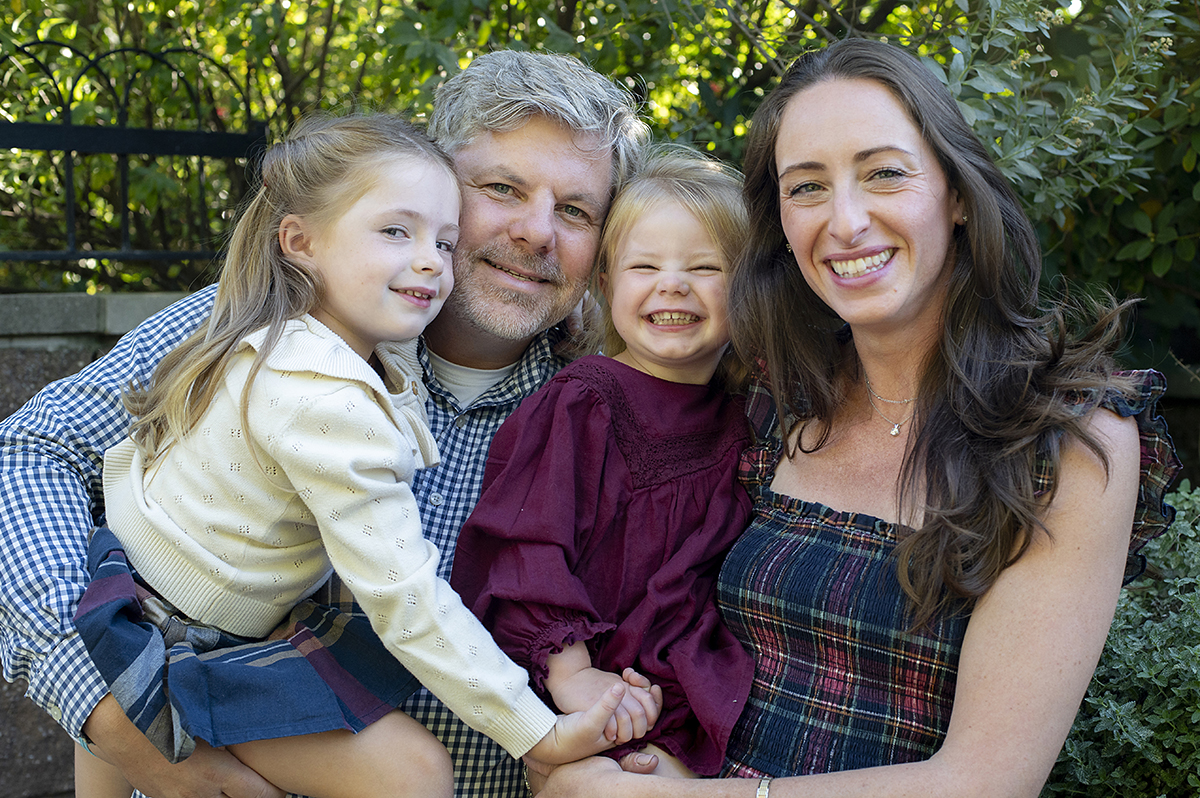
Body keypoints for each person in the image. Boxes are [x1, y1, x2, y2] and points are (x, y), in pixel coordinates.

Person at [535, 37, 1181, 798]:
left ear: (959, 193)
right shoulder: (771, 400)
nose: (845, 222)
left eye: (883, 173)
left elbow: (985, 782)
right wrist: (604, 747)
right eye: (806, 187)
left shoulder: (1066, 439)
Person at [0, 50, 649, 798]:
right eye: (502, 188)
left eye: (575, 211)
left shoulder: (609, 412)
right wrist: (108, 711)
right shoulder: (274, 325)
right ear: (433, 181)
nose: (538, 232)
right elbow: (30, 450)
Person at [452, 148, 756, 781]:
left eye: (705, 267)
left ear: (750, 289)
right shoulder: (584, 402)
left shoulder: (748, 421)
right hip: (582, 699)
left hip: (678, 717)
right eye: (644, 266)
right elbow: (526, 545)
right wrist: (574, 674)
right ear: (605, 285)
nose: (672, 284)